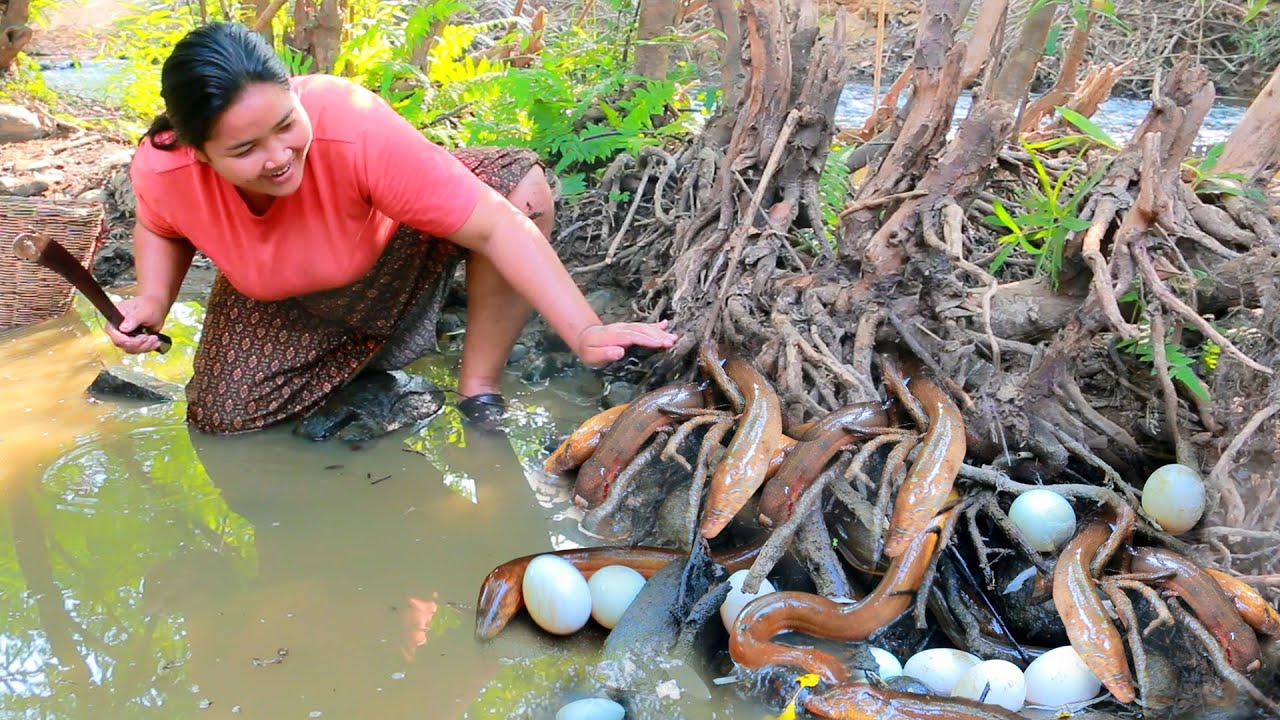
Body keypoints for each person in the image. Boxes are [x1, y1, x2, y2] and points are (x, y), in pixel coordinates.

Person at [106, 22, 678, 434]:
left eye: (285, 125)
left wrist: (583, 330)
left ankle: (478, 387)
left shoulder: (350, 123)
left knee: (518, 189)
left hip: (390, 251)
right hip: (281, 296)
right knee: (222, 421)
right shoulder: (165, 169)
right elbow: (162, 228)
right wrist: (153, 299)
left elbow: (495, 226)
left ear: (294, 93)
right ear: (199, 154)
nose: (279, 157)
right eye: (245, 149)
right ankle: (358, 363)